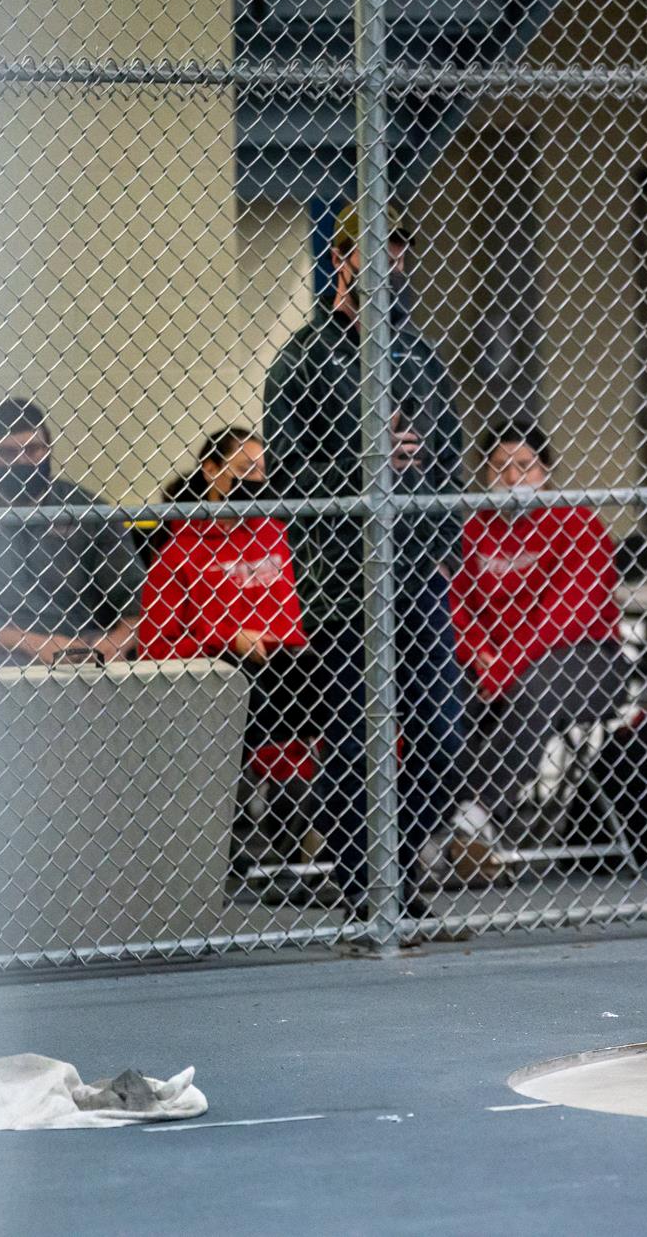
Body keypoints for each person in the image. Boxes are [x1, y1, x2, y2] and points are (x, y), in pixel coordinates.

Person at [262, 205, 468, 921]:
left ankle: (396, 861)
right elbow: (287, 474)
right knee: (354, 736)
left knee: (442, 733)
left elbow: (449, 462)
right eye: (372, 250)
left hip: (416, 574)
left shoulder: (419, 354)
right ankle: (365, 885)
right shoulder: (301, 360)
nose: (387, 263)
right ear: (340, 259)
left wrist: (442, 551)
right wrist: (367, 459)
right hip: (343, 579)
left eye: (398, 251)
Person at [138, 427, 316, 901]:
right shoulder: (180, 547)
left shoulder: (276, 530)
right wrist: (226, 640)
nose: (255, 480)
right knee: (233, 734)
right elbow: (156, 644)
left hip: (283, 675)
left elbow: (295, 620)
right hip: (214, 681)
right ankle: (229, 858)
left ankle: (292, 859)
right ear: (212, 471)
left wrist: (280, 644)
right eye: (243, 470)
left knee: (309, 727)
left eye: (261, 471)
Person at [447, 428, 627, 862]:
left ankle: (473, 817)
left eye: (524, 466)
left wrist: (505, 667)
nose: (512, 478)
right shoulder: (471, 529)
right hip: (492, 661)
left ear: (546, 471)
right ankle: (447, 817)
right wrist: (478, 654)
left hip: (585, 657)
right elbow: (455, 605)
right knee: (444, 690)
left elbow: (564, 615)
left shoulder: (577, 522)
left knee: (536, 687)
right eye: (500, 468)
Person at [0, 397, 142, 668]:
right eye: (8, 453)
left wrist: (114, 644)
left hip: (77, 643)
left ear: (49, 447)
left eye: (33, 449)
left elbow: (137, 598)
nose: (23, 461)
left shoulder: (88, 509)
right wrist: (34, 643)